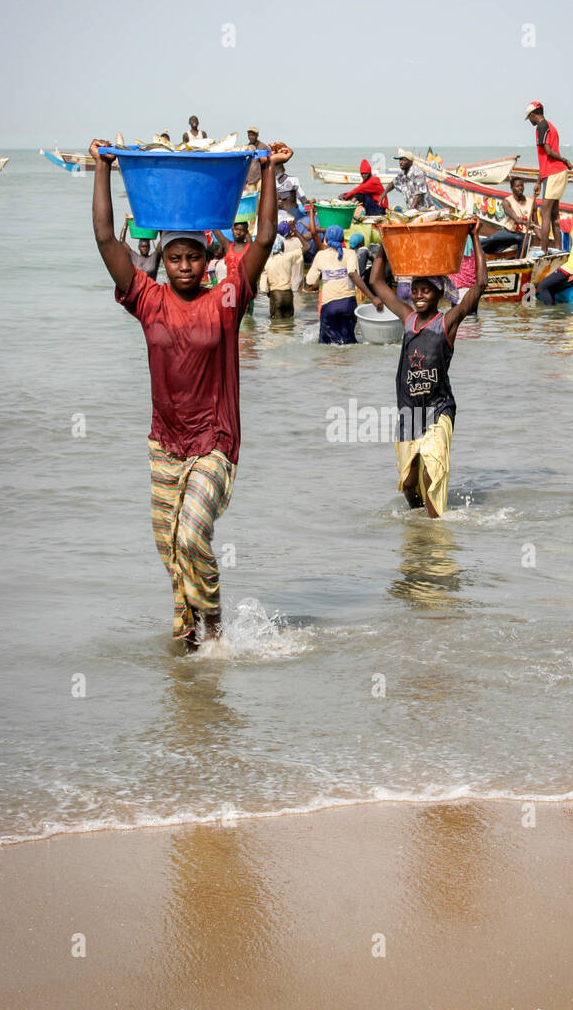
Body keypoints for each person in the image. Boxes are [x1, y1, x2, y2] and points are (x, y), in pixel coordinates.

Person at [90, 134, 290, 648]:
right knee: (167, 548)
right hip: (165, 444)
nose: (183, 265)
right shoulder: (147, 298)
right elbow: (105, 239)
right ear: (165, 258)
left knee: (191, 533)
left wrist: (268, 170)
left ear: (207, 260)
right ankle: (191, 635)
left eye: (193, 258)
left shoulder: (227, 298)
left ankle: (215, 626)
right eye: (175, 257)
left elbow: (265, 238)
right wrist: (103, 170)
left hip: (216, 443)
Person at [368, 225, 486, 517]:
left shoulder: (446, 323)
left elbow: (480, 284)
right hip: (409, 412)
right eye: (416, 290)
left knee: (430, 477)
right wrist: (385, 241)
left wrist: (474, 236)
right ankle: (419, 533)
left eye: (426, 290)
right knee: (409, 483)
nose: (419, 296)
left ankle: (436, 537)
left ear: (438, 294)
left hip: (438, 410)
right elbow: (376, 281)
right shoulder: (408, 319)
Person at [305, 222, 382, 343]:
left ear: (326, 239)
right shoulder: (350, 254)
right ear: (342, 239)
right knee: (348, 342)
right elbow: (353, 274)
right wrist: (372, 298)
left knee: (328, 345)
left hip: (329, 305)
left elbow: (309, 281)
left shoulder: (320, 255)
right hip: (348, 305)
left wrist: (324, 274)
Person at [524, 101, 573, 251]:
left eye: (529, 118)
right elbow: (545, 159)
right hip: (553, 173)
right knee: (553, 214)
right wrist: (539, 181)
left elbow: (549, 151)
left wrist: (565, 160)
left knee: (544, 212)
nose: (530, 121)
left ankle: (543, 250)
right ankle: (558, 248)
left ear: (533, 115)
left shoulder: (541, 126)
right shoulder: (550, 126)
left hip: (554, 172)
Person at [480, 175, 538, 255]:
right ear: (512, 188)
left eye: (521, 185)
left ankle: (519, 263)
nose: (520, 188)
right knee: (489, 240)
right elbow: (514, 216)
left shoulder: (532, 202)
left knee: (526, 243)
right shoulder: (507, 201)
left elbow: (536, 224)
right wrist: (524, 222)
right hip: (509, 232)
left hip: (525, 235)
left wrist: (543, 238)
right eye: (517, 186)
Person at [259, 235, 302, 319]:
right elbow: (307, 246)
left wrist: (268, 292)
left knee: (276, 324)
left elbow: (263, 287)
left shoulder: (267, 262)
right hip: (288, 295)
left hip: (276, 295)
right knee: (288, 325)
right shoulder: (288, 257)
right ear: (282, 247)